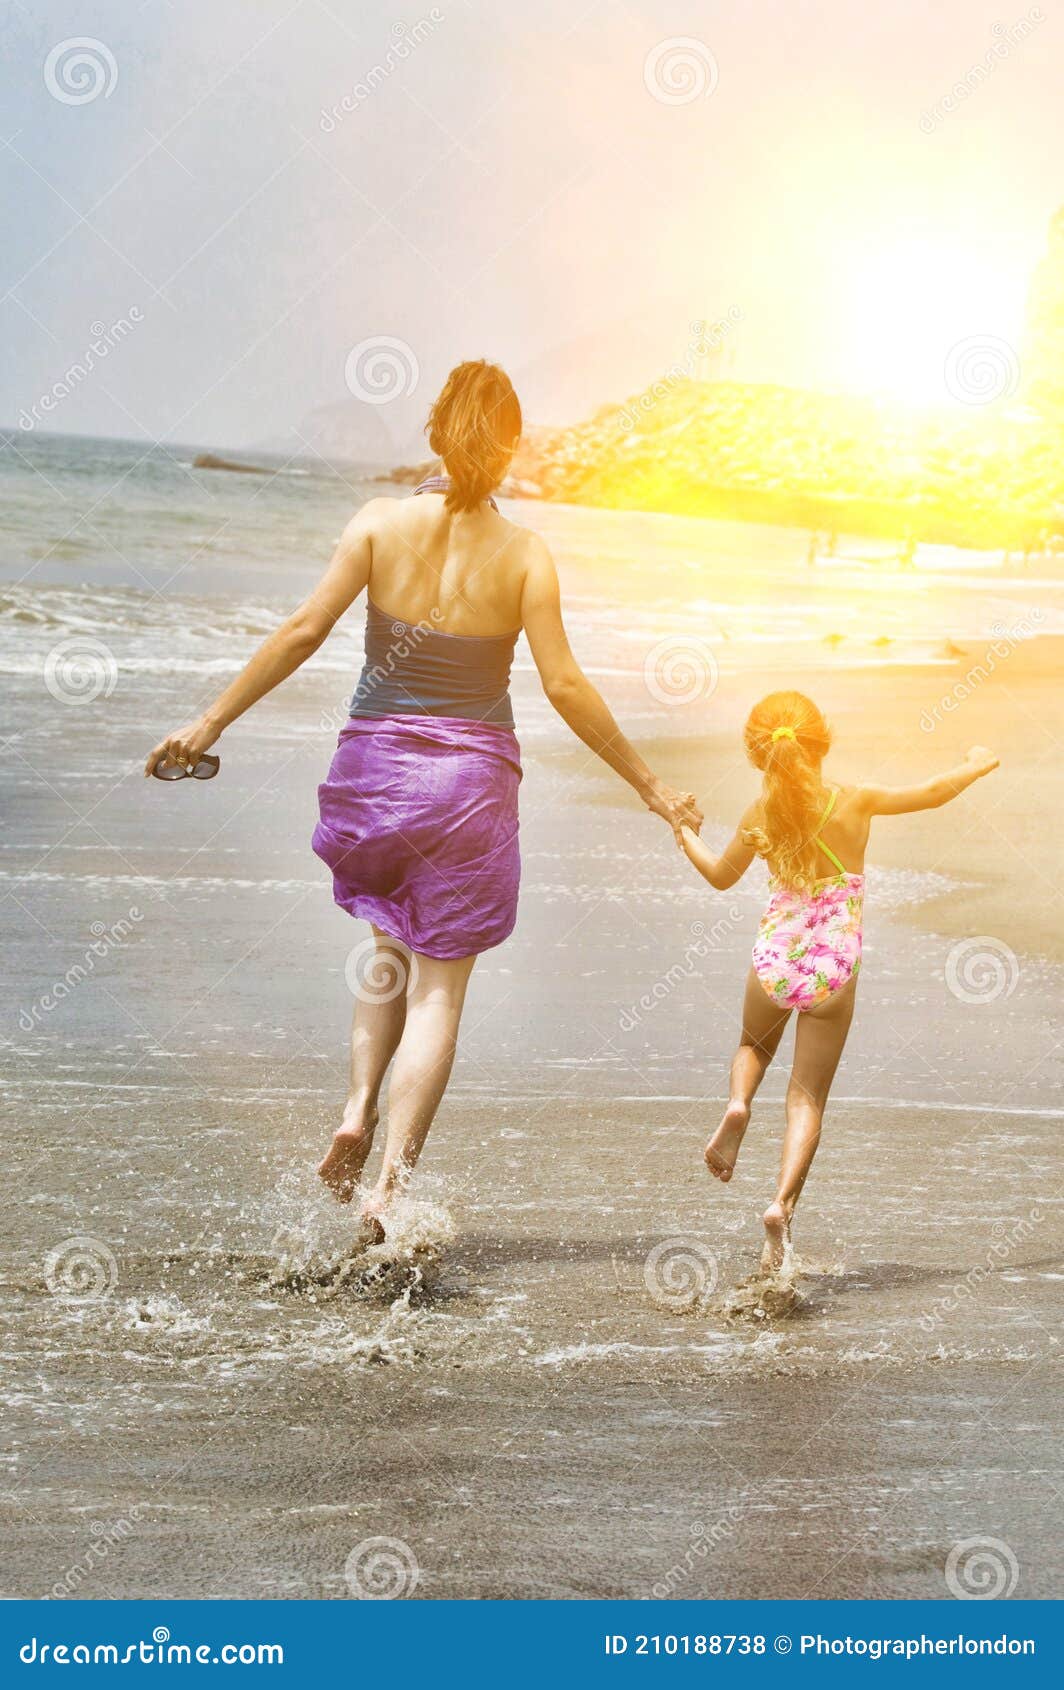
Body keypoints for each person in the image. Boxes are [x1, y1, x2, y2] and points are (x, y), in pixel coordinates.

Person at [145, 359, 702, 1239]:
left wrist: (209, 723)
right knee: (440, 992)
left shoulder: (376, 523)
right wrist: (652, 786)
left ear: (434, 431)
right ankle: (387, 1191)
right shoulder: (525, 554)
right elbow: (564, 685)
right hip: (471, 784)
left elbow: (302, 633)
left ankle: (357, 1106)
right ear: (512, 445)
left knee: (386, 946)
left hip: (375, 770)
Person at [675, 689, 998, 1271]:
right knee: (806, 1096)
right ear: (822, 742)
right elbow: (930, 793)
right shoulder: (857, 800)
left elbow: (721, 877)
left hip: (775, 956)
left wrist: (682, 832)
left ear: (757, 755)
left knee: (753, 1044)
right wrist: (974, 764)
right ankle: (780, 1206)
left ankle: (739, 1104)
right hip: (833, 967)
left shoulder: (759, 816)